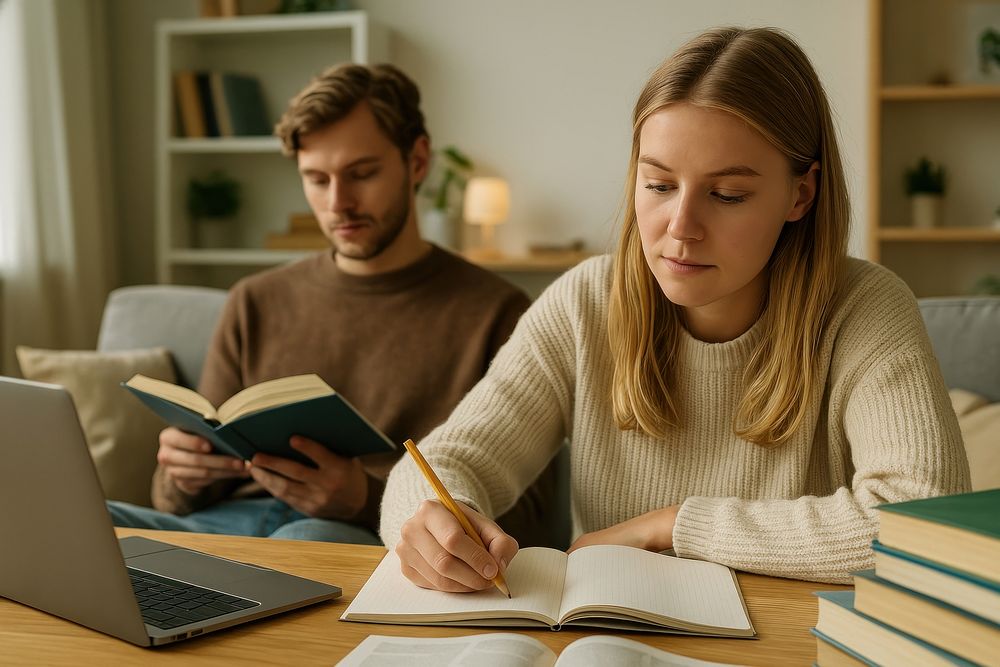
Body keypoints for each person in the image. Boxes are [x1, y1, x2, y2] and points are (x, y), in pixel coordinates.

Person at [380, 27, 971, 587]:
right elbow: (444, 462)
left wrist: (670, 528)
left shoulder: (866, 309)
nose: (681, 228)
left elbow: (925, 528)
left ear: (801, 194)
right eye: (659, 185)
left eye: (727, 195)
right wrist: (432, 520)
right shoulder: (585, 301)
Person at [108, 63, 548, 545]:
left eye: (362, 174)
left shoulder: (497, 312)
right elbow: (183, 491)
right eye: (317, 179)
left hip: (351, 537)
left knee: (306, 537)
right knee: (70, 519)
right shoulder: (254, 300)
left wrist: (364, 498)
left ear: (417, 161)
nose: (338, 202)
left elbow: (531, 517)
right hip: (224, 532)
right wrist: (180, 476)